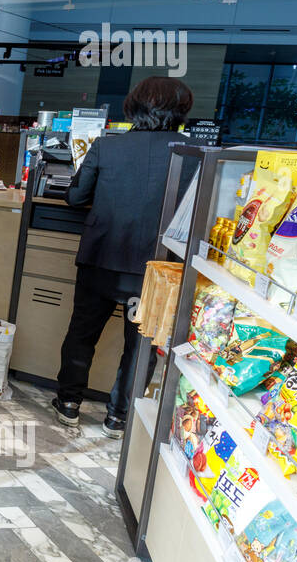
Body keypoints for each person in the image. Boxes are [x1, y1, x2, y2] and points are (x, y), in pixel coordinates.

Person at [53, 77, 197, 436]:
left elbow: (74, 197)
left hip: (101, 257)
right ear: (181, 110)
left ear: (134, 106)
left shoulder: (107, 147)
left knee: (82, 333)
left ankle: (69, 403)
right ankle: (119, 416)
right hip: (155, 268)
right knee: (140, 345)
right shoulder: (194, 154)